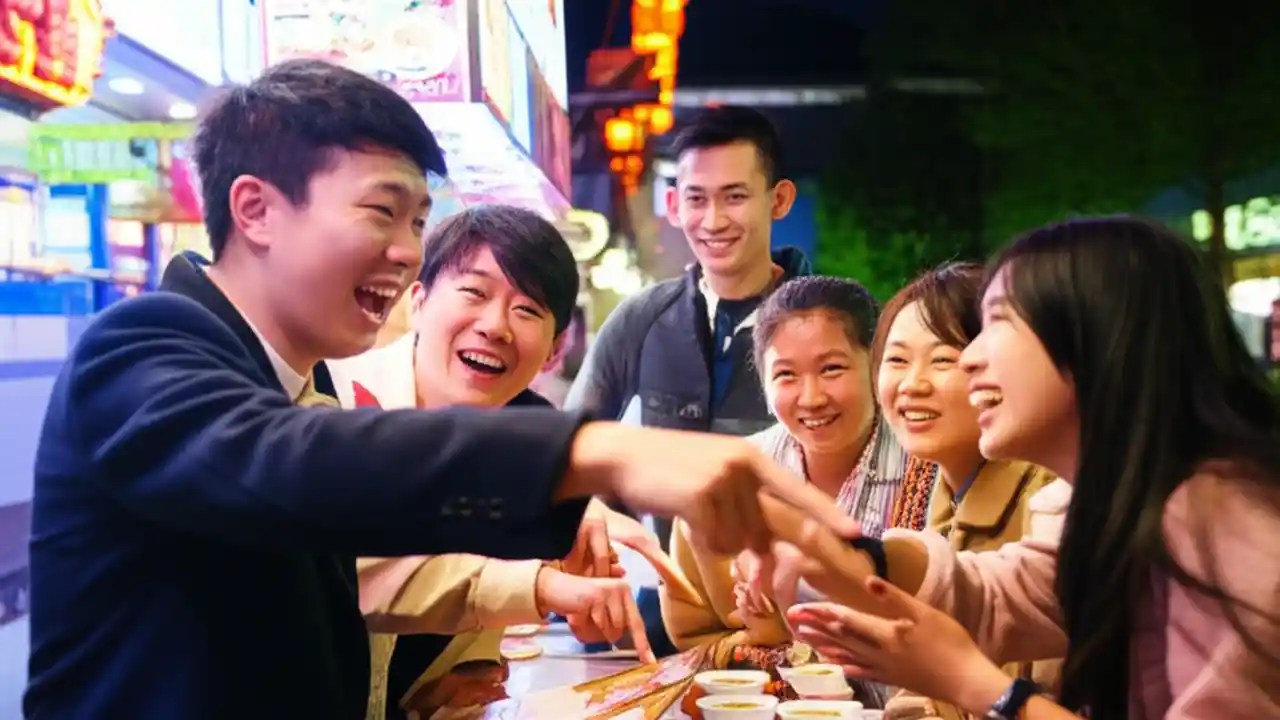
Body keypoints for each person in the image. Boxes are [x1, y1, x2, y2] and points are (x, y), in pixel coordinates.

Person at [23, 59, 856, 719]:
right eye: (382, 212)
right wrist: (594, 452)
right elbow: (289, 466)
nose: (403, 251)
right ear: (256, 210)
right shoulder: (142, 347)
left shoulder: (292, 383)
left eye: (417, 222)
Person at [774, 217, 1280, 719]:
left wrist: (974, 684)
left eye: (999, 325)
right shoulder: (1108, 497)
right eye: (898, 360)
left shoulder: (1225, 527)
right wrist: (852, 556)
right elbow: (1005, 596)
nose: (971, 358)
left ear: (1096, 339)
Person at [328, 205, 660, 719]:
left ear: (554, 349)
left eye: (527, 310)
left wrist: (446, 685)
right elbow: (357, 574)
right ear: (418, 301)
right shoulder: (339, 404)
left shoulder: (519, 446)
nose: (494, 325)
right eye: (474, 293)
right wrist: (542, 586)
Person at [566, 105, 810, 655]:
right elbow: (568, 446)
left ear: (780, 199)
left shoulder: (831, 319)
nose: (714, 219)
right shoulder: (640, 319)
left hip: (802, 620)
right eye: (696, 198)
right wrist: (606, 536)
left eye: (735, 196)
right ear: (673, 205)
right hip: (673, 618)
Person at [661, 277, 933, 703]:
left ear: (875, 365)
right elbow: (696, 639)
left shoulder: (929, 469)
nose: (811, 397)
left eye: (832, 369)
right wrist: (763, 637)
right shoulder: (729, 479)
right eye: (786, 374)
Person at [871, 263, 1061, 720]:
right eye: (896, 360)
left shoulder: (1051, 499)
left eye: (943, 360)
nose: (912, 385)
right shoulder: (929, 487)